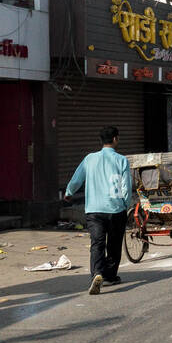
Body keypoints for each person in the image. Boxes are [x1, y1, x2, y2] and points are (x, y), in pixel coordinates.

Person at [63, 125, 132, 295]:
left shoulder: (89, 159)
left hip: (94, 210)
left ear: (100, 141)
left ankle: (97, 274)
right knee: (114, 245)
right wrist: (126, 204)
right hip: (116, 209)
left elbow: (76, 178)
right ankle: (109, 276)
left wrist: (69, 192)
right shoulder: (122, 160)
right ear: (115, 139)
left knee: (97, 244)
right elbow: (126, 187)